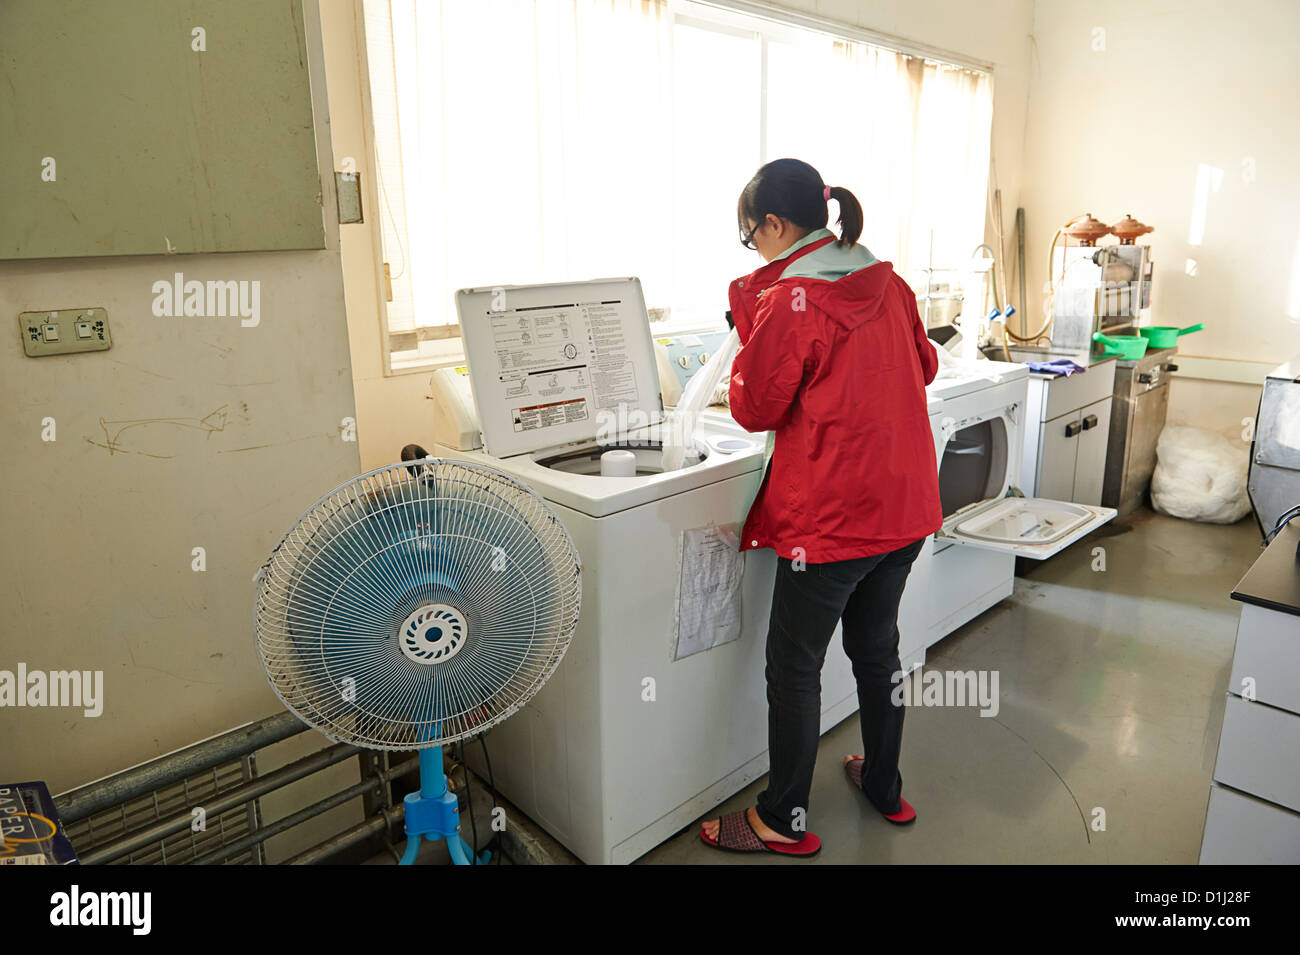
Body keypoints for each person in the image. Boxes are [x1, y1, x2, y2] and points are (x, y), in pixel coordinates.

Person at [700, 158, 942, 857]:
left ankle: (781, 816)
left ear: (775, 224)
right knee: (877, 649)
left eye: (753, 238)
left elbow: (753, 407)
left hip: (835, 523)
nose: (756, 251)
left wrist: (751, 325)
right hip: (905, 510)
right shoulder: (886, 281)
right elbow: (923, 366)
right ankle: (885, 786)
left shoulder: (790, 299)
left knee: (796, 665)